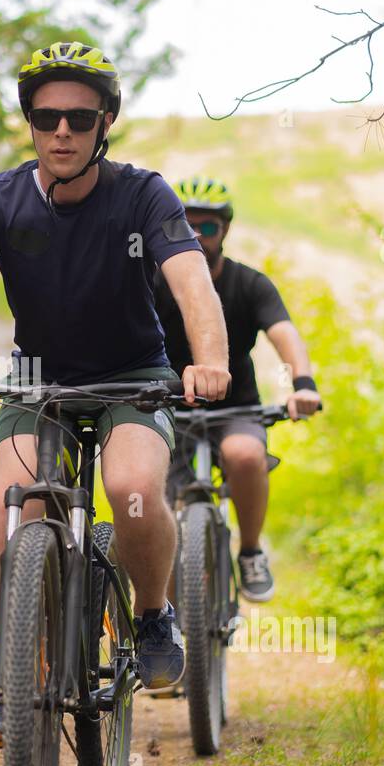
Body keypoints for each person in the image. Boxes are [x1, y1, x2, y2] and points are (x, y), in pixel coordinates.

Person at [0, 41, 231, 746]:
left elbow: (191, 281)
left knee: (133, 487)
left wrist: (209, 362)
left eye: (78, 117)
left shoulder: (144, 194)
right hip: (38, 380)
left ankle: (156, 613)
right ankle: (17, 683)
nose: (62, 132)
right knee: (10, 504)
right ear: (31, 123)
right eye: (46, 118)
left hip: (132, 375)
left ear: (105, 121)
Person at [154, 179, 322, 602]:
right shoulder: (154, 283)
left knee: (245, 456)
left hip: (236, 409)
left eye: (206, 228)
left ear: (224, 232)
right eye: (184, 227)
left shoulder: (250, 284)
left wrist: (302, 384)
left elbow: (284, 333)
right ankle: (161, 619)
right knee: (153, 506)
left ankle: (249, 551)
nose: (195, 237)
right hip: (164, 407)